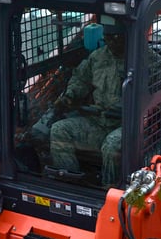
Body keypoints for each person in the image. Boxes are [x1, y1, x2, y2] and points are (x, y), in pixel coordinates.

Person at [49, 24, 126, 186]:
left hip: (128, 127)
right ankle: (70, 183)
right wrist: (70, 96)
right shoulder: (97, 58)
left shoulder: (148, 60)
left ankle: (110, 190)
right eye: (108, 37)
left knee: (112, 145)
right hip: (99, 122)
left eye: (117, 37)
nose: (112, 42)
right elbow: (80, 80)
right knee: (59, 130)